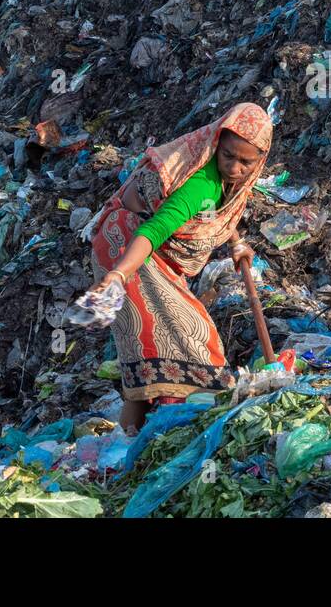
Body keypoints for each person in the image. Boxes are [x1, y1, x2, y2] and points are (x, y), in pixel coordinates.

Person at [70, 102, 272, 433]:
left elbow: (217, 214)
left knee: (149, 356)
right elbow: (152, 231)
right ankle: (149, 439)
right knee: (189, 340)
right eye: (228, 156)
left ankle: (127, 445)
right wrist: (119, 274)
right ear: (216, 146)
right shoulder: (200, 186)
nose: (235, 167)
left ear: (259, 160)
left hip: (150, 256)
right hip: (128, 247)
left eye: (245, 162)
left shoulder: (229, 184)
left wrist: (236, 244)